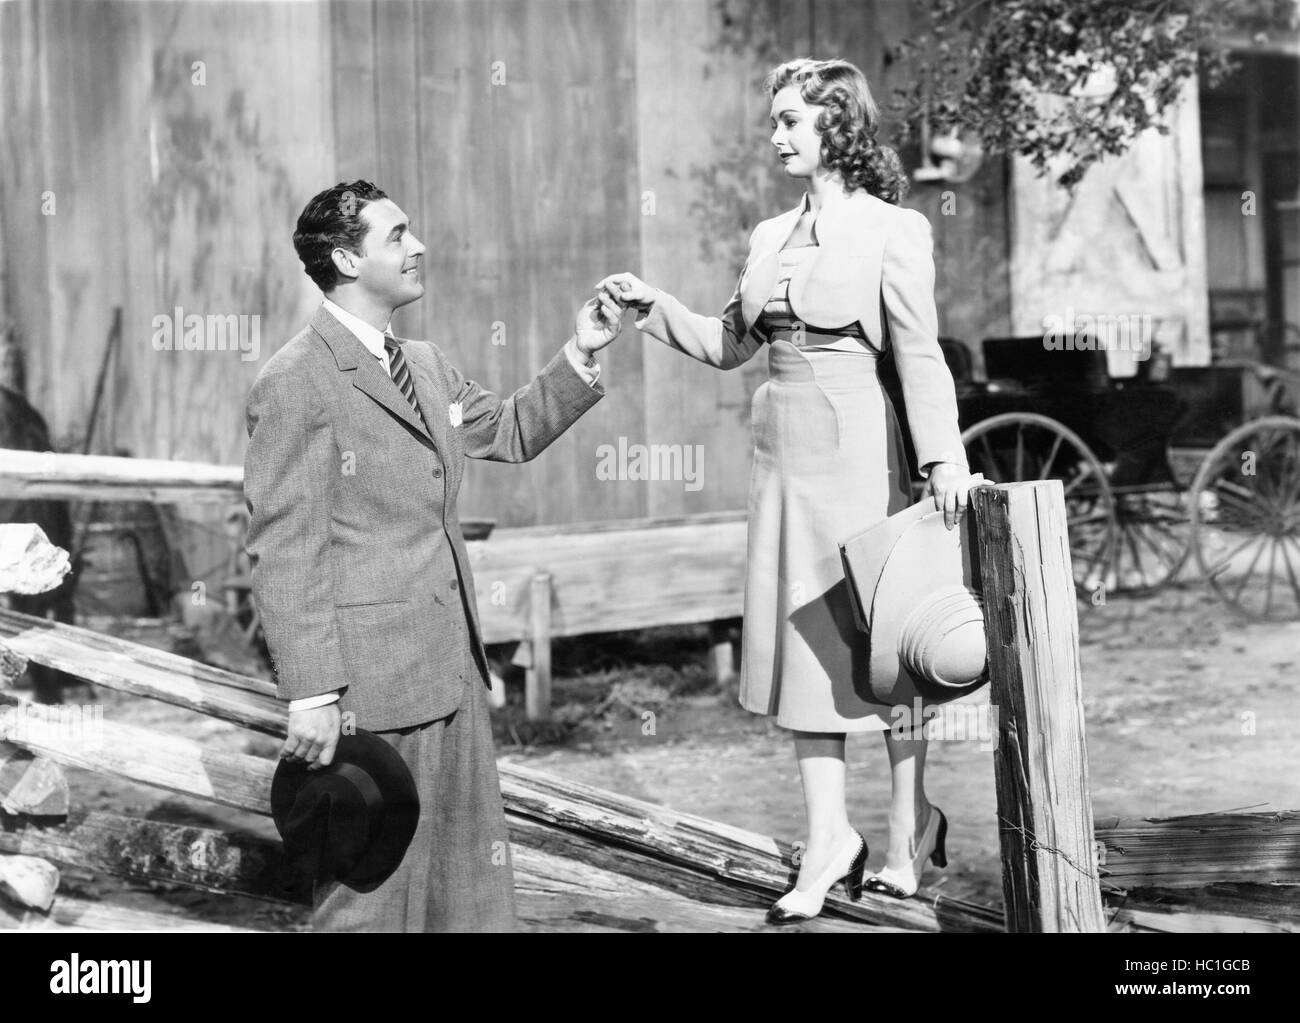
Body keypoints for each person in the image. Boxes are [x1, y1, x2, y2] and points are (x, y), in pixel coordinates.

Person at [599, 58, 970, 923]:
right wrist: (651, 306)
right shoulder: (769, 234)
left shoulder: (895, 229)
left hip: (862, 452)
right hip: (782, 457)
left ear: (837, 125)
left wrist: (944, 459)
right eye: (776, 120)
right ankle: (828, 837)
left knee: (889, 638)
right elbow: (730, 343)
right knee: (806, 646)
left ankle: (911, 825)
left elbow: (920, 355)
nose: (776, 136)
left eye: (792, 120)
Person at [244, 180, 623, 931]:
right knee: (370, 892)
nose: (418, 247)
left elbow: (508, 430)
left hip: (451, 668)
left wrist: (581, 351)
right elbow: (284, 545)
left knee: (466, 887)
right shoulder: (295, 380)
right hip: (371, 684)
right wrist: (311, 692)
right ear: (347, 260)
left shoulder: (423, 362)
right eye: (397, 236)